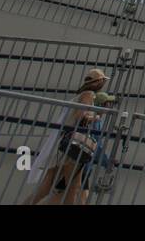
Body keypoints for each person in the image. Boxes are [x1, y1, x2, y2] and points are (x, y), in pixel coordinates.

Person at [25, 68, 109, 205]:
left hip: (64, 145)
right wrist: (98, 116)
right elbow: (80, 115)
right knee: (74, 187)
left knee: (45, 189)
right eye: (102, 81)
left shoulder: (80, 95)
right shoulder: (88, 95)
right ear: (98, 82)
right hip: (72, 149)